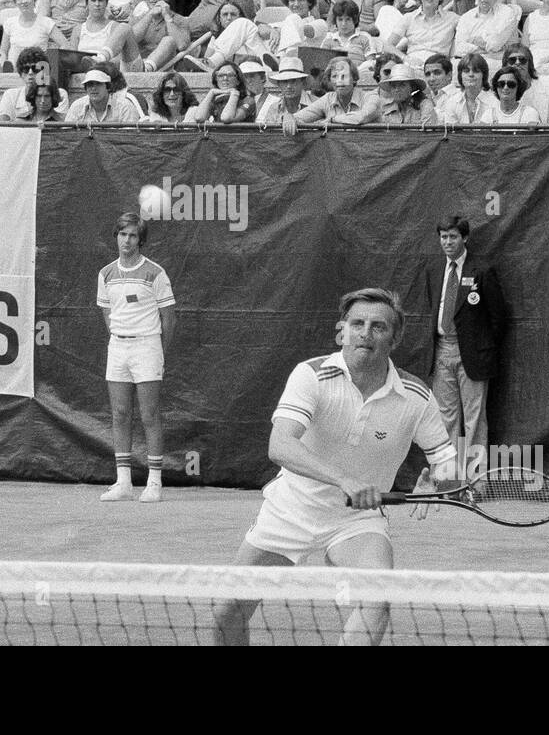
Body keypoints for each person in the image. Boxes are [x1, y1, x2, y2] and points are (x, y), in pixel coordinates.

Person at [212, 287, 457, 647]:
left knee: (377, 600)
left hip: (356, 521)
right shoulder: (310, 375)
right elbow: (279, 445)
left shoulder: (416, 396)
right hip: (291, 510)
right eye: (357, 323)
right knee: (226, 610)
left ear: (395, 337)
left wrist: (438, 480)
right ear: (341, 331)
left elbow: (445, 460)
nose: (366, 333)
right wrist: (345, 479)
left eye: (379, 326)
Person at [97, 211, 176, 504]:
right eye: (122, 234)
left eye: (132, 235)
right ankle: (124, 482)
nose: (126, 240)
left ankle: (154, 483)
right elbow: (108, 313)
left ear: (140, 241)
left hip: (148, 347)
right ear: (116, 237)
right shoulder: (105, 274)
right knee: (119, 413)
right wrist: (121, 336)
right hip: (117, 347)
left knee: (149, 415)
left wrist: (157, 350)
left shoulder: (155, 273)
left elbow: (169, 318)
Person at [423, 215, 507, 463]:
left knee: (474, 418)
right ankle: (450, 480)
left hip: (473, 353)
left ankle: (475, 480)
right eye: (443, 237)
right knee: (444, 417)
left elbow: (498, 316)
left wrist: (482, 346)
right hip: (441, 351)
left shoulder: (481, 270)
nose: (447, 242)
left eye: (453, 237)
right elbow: (433, 306)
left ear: (465, 238)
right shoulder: (433, 270)